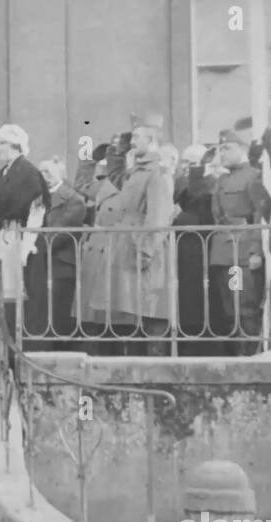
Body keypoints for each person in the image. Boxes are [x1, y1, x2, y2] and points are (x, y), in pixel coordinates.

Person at [88, 120, 175, 356]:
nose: (133, 141)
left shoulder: (157, 174)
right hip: (129, 248)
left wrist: (146, 251)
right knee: (136, 313)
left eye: (138, 137)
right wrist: (117, 150)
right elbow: (115, 176)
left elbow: (157, 218)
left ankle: (155, 374)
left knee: (151, 312)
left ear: (152, 141)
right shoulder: (136, 172)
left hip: (144, 249)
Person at [0, 123, 51, 349]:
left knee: (22, 296)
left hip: (21, 238)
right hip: (4, 235)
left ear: (15, 145)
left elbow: (37, 210)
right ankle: (4, 352)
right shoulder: (3, 172)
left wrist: (27, 244)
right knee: (3, 296)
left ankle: (25, 351)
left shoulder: (28, 172)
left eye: (2, 143)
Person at [210, 128, 271, 355]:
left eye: (227, 148)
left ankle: (250, 357)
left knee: (244, 308)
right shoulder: (221, 180)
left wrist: (256, 251)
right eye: (220, 149)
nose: (222, 153)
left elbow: (260, 215)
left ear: (242, 150)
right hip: (222, 255)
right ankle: (237, 356)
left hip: (241, 255)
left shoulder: (253, 176)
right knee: (229, 310)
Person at [74, 133, 136, 355]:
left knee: (122, 317)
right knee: (96, 317)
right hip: (98, 254)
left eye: (117, 156)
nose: (111, 162)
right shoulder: (106, 185)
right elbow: (82, 184)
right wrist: (89, 159)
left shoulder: (136, 182)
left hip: (120, 252)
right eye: (110, 156)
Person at [172, 145, 227, 355]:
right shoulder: (188, 185)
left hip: (207, 250)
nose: (186, 167)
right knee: (191, 301)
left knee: (213, 300)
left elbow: (205, 212)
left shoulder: (211, 184)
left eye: (192, 163)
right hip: (189, 253)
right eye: (185, 163)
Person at [26, 155, 85, 351]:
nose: (43, 176)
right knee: (38, 313)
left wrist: (30, 243)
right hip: (38, 263)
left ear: (61, 173)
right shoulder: (35, 199)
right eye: (40, 172)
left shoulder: (74, 200)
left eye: (48, 171)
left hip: (60, 266)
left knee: (57, 316)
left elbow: (58, 234)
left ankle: (58, 358)